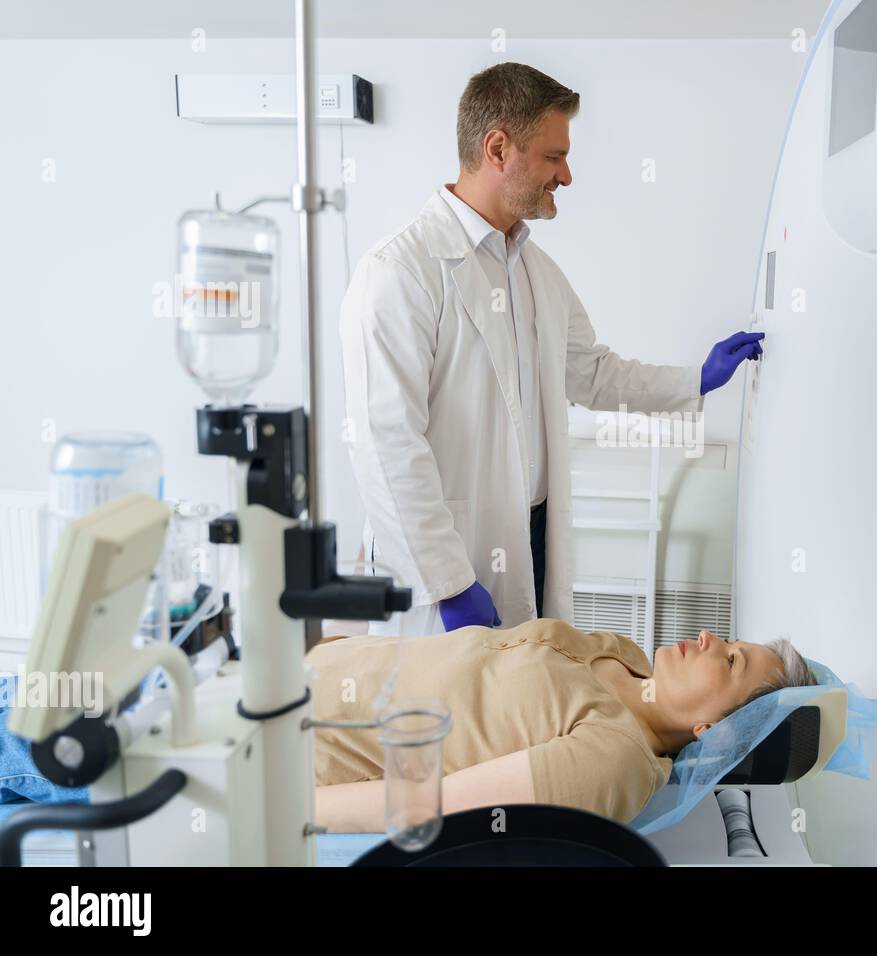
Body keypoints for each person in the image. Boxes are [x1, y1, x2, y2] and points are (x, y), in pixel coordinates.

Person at [339, 62, 763, 637]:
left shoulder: (537, 271)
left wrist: (696, 379)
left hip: (531, 537)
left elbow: (591, 372)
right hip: (450, 554)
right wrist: (448, 582)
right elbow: (386, 445)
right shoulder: (399, 272)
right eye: (553, 156)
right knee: (450, 719)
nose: (566, 175)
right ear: (497, 149)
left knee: (528, 709)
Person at [310, 624, 816, 830]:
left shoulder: (614, 762)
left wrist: (288, 808)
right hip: (318, 667)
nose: (708, 636)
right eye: (730, 640)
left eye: (731, 661)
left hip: (307, 745)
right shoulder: (627, 653)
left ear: (713, 729)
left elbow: (429, 801)